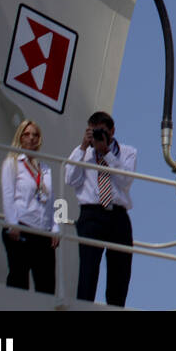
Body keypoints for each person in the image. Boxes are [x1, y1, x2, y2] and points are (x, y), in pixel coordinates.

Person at [65, 110, 137, 306]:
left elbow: (125, 180)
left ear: (112, 131)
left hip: (118, 215)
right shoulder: (82, 153)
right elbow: (70, 179)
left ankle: (115, 308)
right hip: (91, 213)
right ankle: (83, 306)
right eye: (94, 131)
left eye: (102, 132)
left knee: (120, 269)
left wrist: (106, 153)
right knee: (88, 267)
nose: (98, 136)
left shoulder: (127, 152)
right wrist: (83, 147)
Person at [0, 118, 59, 293]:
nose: (31, 138)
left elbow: (53, 200)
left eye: (35, 135)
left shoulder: (45, 168)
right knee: (19, 281)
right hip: (22, 227)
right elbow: (8, 195)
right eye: (27, 134)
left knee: (47, 287)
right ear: (20, 137)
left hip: (43, 232)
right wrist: (12, 225)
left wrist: (55, 228)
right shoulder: (12, 163)